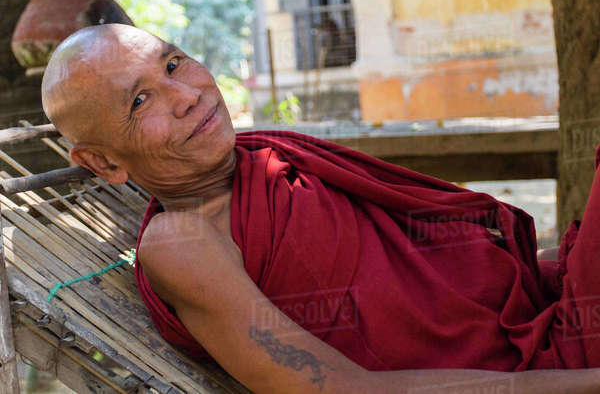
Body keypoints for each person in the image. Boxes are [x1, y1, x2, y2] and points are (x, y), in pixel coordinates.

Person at [41, 23, 600, 393]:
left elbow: (436, 273)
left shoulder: (268, 159)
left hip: (555, 313)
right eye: (140, 101)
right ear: (103, 162)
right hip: (551, 370)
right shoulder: (183, 243)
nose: (186, 94)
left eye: (174, 64)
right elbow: (352, 390)